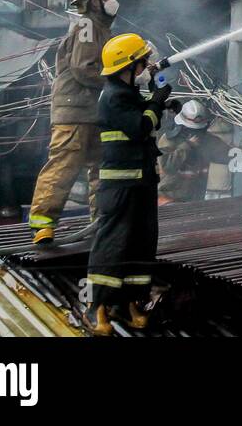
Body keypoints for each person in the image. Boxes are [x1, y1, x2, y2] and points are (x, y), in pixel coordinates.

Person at [86, 33, 180, 335]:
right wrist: (156, 100)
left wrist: (159, 100)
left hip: (142, 182)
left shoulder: (127, 94)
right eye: (141, 62)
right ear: (128, 65)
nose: (145, 66)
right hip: (121, 187)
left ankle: (130, 305)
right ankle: (97, 309)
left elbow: (147, 115)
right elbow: (140, 127)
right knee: (112, 246)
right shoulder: (113, 96)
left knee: (140, 244)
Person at [28, 0, 120, 243]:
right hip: (74, 111)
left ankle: (101, 224)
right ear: (93, 0)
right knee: (64, 165)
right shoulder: (87, 26)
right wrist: (119, 80)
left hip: (93, 111)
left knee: (102, 169)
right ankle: (43, 225)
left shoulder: (101, 28)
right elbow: (85, 69)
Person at [158, 100, 231, 204]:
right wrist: (187, 146)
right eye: (190, 130)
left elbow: (226, 153)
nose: (195, 133)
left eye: (198, 130)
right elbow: (167, 167)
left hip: (194, 199)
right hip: (168, 199)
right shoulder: (168, 140)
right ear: (182, 126)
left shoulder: (206, 140)